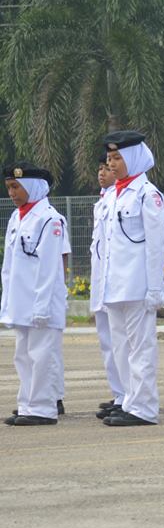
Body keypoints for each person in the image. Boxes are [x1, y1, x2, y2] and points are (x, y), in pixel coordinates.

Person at [97, 131, 164, 427]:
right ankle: (128, 399)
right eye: (110, 158)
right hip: (115, 284)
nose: (112, 163)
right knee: (121, 347)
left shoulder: (146, 194)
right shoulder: (113, 194)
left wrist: (155, 288)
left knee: (141, 347)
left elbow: (156, 246)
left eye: (117, 158)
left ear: (134, 158)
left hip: (137, 284)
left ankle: (144, 407)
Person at [2, 163, 70, 426]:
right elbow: (9, 267)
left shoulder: (50, 219)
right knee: (24, 355)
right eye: (9, 187)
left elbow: (49, 268)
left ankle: (42, 407)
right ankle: (27, 403)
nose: (11, 192)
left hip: (42, 302)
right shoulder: (17, 217)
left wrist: (41, 307)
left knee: (42, 355)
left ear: (32, 187)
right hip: (21, 301)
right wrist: (8, 303)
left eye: (16, 186)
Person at [90, 153, 124, 419]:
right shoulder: (101, 201)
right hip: (102, 280)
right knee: (107, 341)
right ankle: (119, 392)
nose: (103, 172)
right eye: (100, 168)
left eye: (108, 167)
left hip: (118, 281)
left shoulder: (121, 197)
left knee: (121, 341)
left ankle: (127, 395)